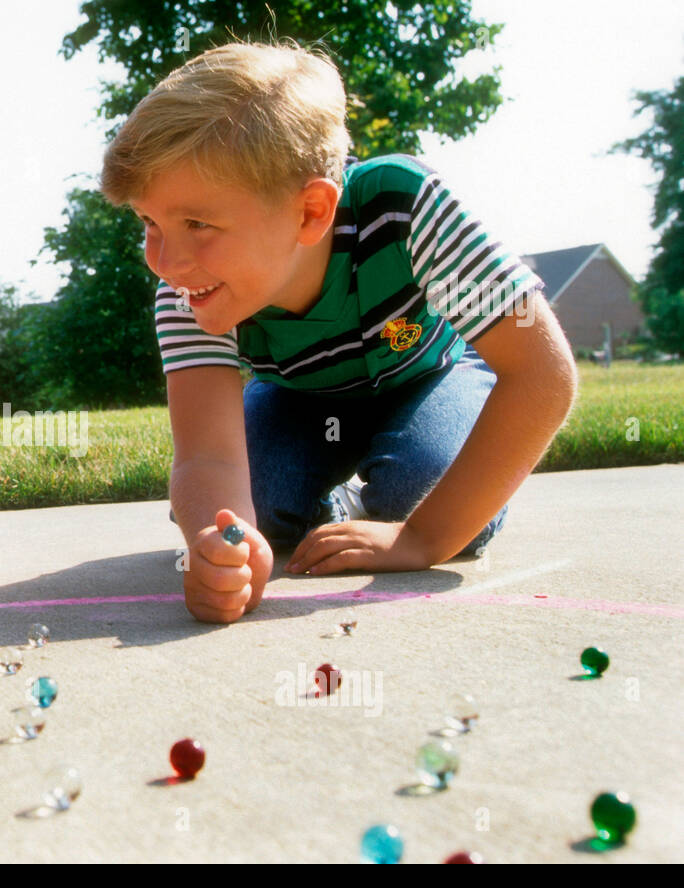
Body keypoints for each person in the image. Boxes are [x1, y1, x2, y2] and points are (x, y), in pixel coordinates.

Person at [98, 41, 578, 624]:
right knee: (256, 509)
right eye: (149, 221)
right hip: (300, 397)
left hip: (429, 375)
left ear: (310, 211)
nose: (165, 262)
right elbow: (205, 457)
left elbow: (542, 374)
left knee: (419, 498)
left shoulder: (402, 208)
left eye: (198, 223)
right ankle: (340, 506)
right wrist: (220, 549)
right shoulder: (192, 285)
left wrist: (421, 538)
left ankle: (387, 501)